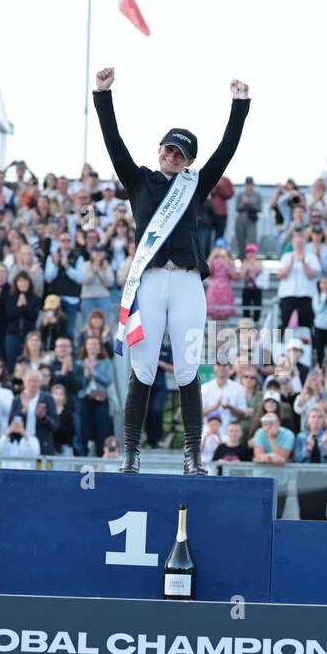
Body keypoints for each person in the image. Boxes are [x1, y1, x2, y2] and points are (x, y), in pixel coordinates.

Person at [92, 66, 251, 475]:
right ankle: (131, 452)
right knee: (142, 368)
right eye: (167, 149)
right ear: (159, 149)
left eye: (179, 154)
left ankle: (193, 454)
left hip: (185, 283)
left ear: (188, 161)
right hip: (148, 281)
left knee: (187, 367)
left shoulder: (195, 185)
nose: (171, 156)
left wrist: (239, 106)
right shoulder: (139, 181)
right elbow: (114, 143)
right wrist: (103, 94)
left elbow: (226, 151)